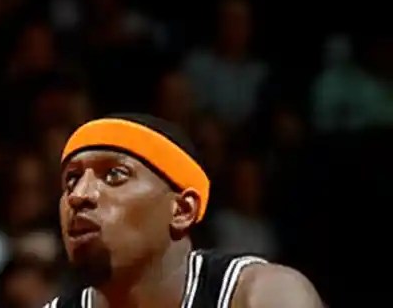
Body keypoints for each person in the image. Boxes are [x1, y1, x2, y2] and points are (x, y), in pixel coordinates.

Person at [47, 114, 325, 308]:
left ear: (182, 210)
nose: (78, 195)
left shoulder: (262, 295)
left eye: (115, 175)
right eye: (71, 180)